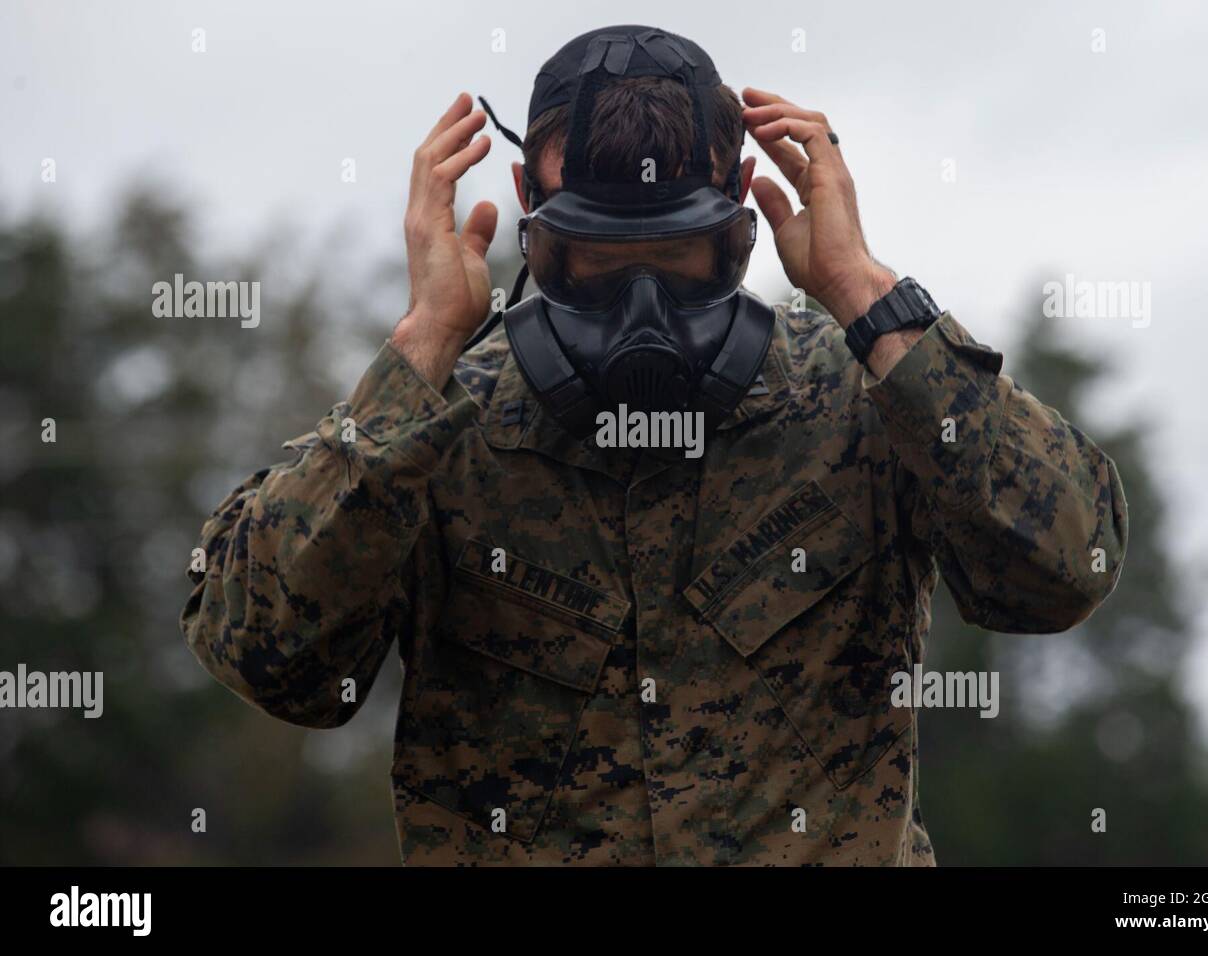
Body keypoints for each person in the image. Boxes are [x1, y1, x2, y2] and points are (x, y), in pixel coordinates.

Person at [181, 25, 1128, 865]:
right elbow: (271, 656)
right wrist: (424, 344)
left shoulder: (862, 398)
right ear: (525, 209)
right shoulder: (436, 432)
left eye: (675, 265)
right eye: (596, 267)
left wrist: (862, 291)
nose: (641, 317)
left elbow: (1064, 569)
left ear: (740, 226)